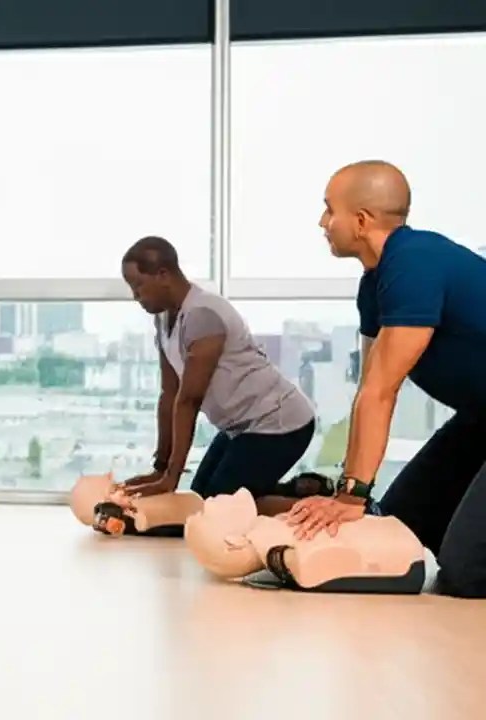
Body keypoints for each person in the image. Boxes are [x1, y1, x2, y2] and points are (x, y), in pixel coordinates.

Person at [286, 160, 486, 599]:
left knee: (468, 574)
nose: (322, 222)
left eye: (328, 210)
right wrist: (350, 496)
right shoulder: (374, 284)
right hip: (479, 419)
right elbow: (369, 389)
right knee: (398, 528)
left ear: (360, 221)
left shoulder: (415, 262)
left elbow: (382, 391)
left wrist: (350, 497)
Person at [119, 236, 317, 500]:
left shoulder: (202, 315)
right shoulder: (163, 320)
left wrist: (171, 478)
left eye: (138, 285)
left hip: (279, 422)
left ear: (163, 275)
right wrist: (160, 468)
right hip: (240, 427)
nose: (135, 296)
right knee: (200, 499)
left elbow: (189, 400)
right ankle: (301, 490)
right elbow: (170, 394)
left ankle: (319, 504)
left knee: (217, 507)